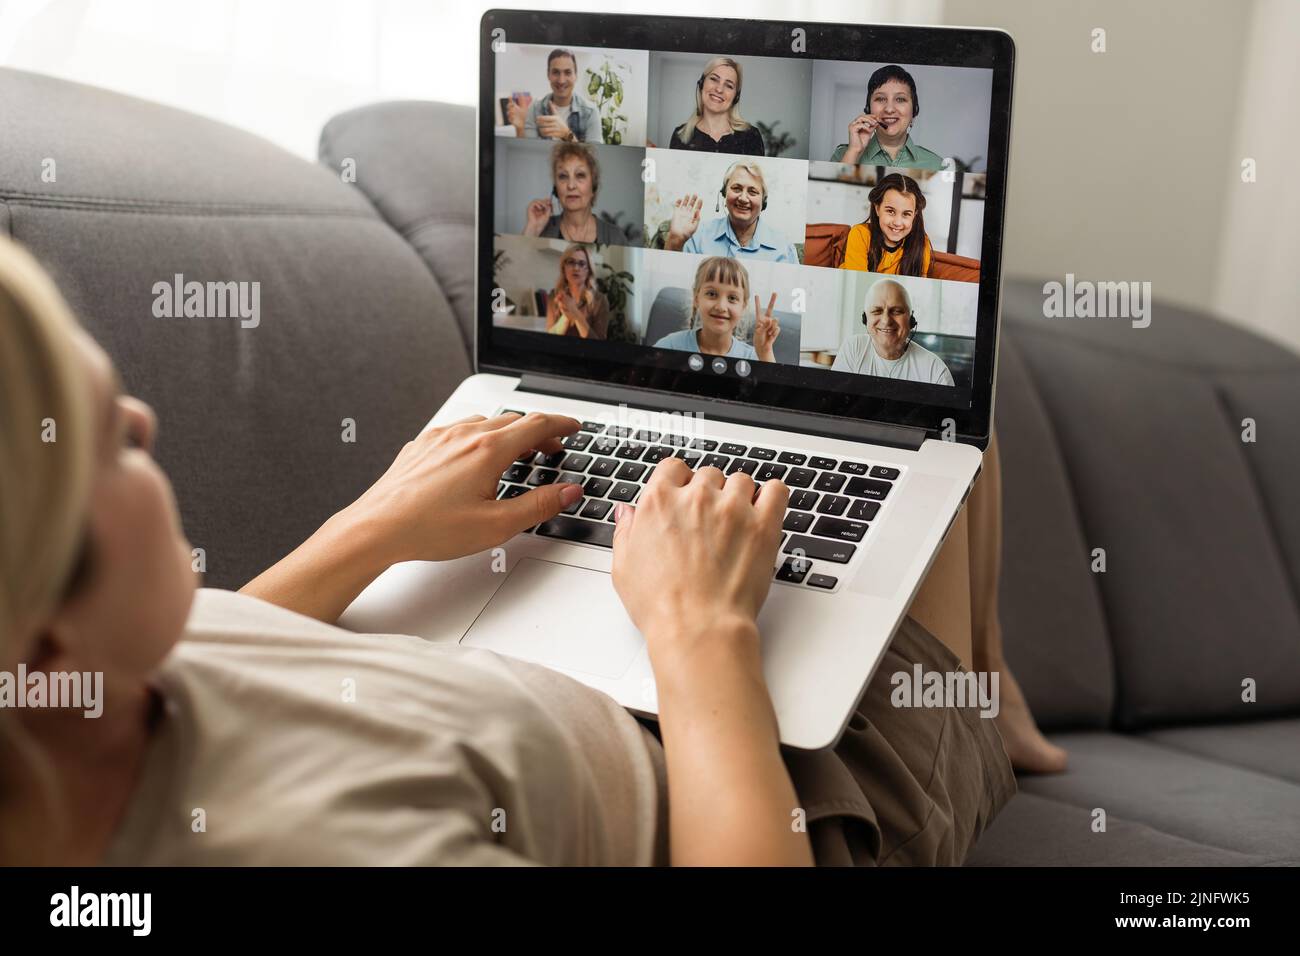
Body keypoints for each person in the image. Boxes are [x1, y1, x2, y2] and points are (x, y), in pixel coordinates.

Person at [0, 234, 1065, 868]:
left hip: (636, 692)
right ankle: (981, 698)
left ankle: (990, 673)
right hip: (784, 793)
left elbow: (236, 643)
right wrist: (701, 632)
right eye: (104, 442)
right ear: (44, 637)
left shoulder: (93, 694)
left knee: (900, 418)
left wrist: (373, 522)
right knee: (931, 412)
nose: (141, 415)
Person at [662, 162, 797, 263]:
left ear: (763, 202)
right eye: (736, 188)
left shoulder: (784, 246)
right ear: (724, 194)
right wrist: (675, 240)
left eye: (752, 191)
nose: (743, 198)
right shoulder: (698, 235)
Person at [652, 257, 780, 362]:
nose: (721, 307)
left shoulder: (753, 357)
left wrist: (765, 353)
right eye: (712, 294)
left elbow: (773, 392)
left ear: (743, 307)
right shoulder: (670, 346)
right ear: (697, 298)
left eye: (732, 298)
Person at [833, 279, 955, 385]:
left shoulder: (936, 371)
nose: (886, 321)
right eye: (877, 311)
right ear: (865, 319)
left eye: (896, 311)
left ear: (911, 320)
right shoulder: (853, 348)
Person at [830, 65, 944, 170]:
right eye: (880, 99)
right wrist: (854, 152)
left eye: (900, 99)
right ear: (869, 109)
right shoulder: (843, 155)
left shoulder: (937, 165)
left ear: (913, 111)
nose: (889, 109)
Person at [522, 142, 632, 245]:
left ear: (593, 187)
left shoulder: (615, 236)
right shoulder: (542, 230)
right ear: (556, 189)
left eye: (580, 175)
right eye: (563, 176)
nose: (571, 186)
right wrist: (532, 229)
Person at [840, 173, 933, 276]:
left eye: (906, 214)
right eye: (890, 211)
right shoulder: (860, 234)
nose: (897, 223)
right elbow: (857, 283)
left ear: (914, 215)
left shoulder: (922, 243)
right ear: (877, 209)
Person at [668, 57, 765, 155]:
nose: (719, 89)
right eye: (714, 79)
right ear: (702, 84)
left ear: (736, 97)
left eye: (729, 85)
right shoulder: (680, 134)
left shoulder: (751, 136)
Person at [507, 48, 603, 144]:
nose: (561, 80)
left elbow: (592, 156)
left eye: (567, 72)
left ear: (575, 76)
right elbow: (529, 152)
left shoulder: (591, 112)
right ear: (548, 75)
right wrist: (520, 130)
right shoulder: (535, 108)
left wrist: (567, 134)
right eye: (556, 72)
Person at [544, 244, 610, 339]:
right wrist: (566, 316)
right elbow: (549, 339)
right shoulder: (554, 296)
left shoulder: (600, 300)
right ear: (564, 268)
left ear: (589, 271)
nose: (576, 268)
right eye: (571, 262)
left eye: (582, 264)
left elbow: (598, 345)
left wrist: (575, 312)